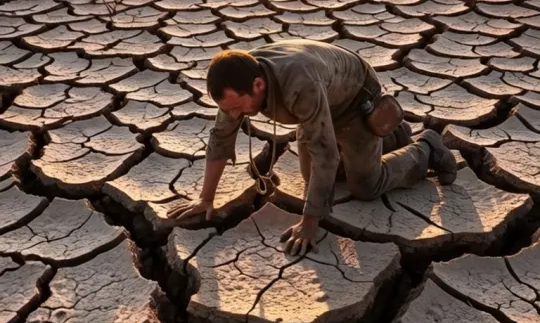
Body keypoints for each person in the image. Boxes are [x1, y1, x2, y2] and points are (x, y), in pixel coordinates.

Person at [167, 39, 456, 255]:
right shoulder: (234, 85)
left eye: (237, 107)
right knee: (313, 179)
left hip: (354, 96)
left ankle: (426, 148)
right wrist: (206, 199)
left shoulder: (298, 86)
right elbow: (220, 139)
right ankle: (392, 138)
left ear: (257, 85)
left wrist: (309, 222)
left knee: (365, 185)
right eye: (227, 109)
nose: (233, 115)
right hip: (321, 100)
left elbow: (325, 154)